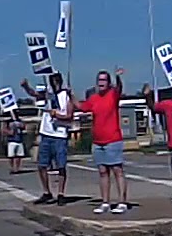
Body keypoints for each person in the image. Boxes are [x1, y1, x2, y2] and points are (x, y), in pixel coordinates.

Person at [77, 68, 128, 214]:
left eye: (104, 80)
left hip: (113, 138)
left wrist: (118, 78)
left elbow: (119, 88)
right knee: (102, 171)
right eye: (99, 80)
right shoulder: (93, 98)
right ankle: (105, 202)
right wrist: (71, 95)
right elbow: (82, 107)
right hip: (98, 141)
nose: (101, 83)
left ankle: (122, 202)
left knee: (117, 170)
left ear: (109, 82)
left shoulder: (113, 95)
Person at [21, 73, 72, 205]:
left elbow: (69, 116)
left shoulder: (66, 96)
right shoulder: (48, 95)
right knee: (42, 165)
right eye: (52, 82)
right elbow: (34, 94)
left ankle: (61, 193)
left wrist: (57, 115)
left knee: (61, 165)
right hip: (46, 134)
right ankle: (46, 192)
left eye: (56, 82)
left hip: (60, 135)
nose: (54, 84)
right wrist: (26, 87)